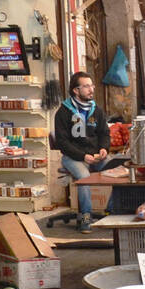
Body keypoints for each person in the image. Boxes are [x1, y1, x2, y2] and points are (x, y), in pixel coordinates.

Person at [52, 71, 112, 233]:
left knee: (117, 172)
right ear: (75, 90)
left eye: (91, 85)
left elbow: (104, 133)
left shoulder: (96, 110)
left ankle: (111, 212)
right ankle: (86, 218)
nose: (91, 89)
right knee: (84, 178)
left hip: (96, 156)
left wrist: (104, 149)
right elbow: (62, 143)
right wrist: (83, 156)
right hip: (73, 157)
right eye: (86, 86)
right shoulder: (63, 112)